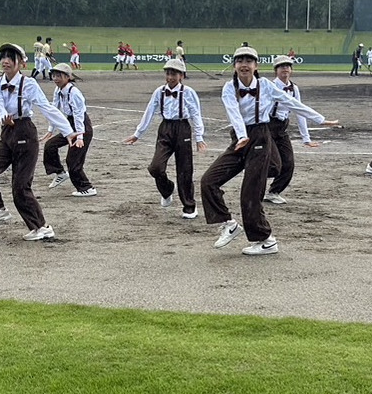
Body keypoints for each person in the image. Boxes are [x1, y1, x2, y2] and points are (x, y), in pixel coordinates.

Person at [200, 46, 338, 256]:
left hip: (260, 137)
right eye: (240, 61)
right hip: (239, 138)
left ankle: (265, 240)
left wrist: (320, 119)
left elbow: (291, 102)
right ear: (234, 65)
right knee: (209, 180)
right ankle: (227, 223)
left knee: (251, 192)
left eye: (249, 61)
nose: (244, 65)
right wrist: (241, 135)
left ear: (256, 66)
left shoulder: (265, 85)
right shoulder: (229, 87)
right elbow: (233, 112)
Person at [0, 44, 78, 241]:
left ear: (21, 63)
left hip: (25, 133)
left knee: (20, 186)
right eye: (3, 57)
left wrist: (68, 132)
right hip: (7, 132)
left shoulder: (29, 84)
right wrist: (3, 116)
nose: (5, 61)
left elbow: (46, 108)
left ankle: (42, 227)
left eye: (10, 57)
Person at [124, 59, 206, 217]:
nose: (170, 77)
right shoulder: (159, 92)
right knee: (155, 167)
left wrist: (199, 136)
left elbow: (196, 114)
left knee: (185, 169)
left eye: (174, 74)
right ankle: (167, 189)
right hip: (165, 129)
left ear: (181, 75)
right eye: (168, 73)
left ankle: (189, 206)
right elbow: (149, 112)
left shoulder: (188, 92)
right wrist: (137, 134)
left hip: (182, 129)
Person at [264, 54, 325, 205]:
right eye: (281, 66)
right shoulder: (269, 86)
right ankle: (254, 183)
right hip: (267, 127)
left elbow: (300, 112)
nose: (285, 69)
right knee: (273, 164)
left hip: (282, 128)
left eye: (288, 66)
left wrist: (306, 138)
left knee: (288, 163)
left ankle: (273, 192)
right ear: (275, 70)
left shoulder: (294, 88)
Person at [44, 63, 96, 196]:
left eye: (58, 76)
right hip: (70, 124)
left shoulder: (74, 93)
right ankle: (60, 173)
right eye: (54, 76)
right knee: (50, 145)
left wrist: (79, 137)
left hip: (82, 126)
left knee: (73, 161)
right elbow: (54, 110)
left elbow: (79, 115)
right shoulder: (58, 90)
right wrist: (51, 129)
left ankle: (87, 188)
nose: (55, 78)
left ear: (67, 77)